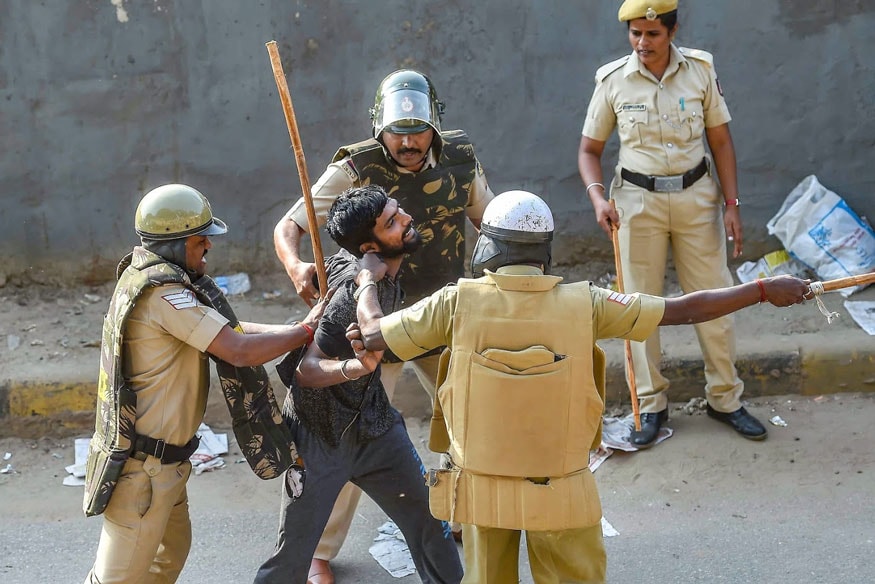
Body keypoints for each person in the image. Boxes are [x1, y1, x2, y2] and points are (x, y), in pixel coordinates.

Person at [349, 190, 812, 584]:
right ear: (543, 249)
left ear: (488, 245)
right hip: (563, 488)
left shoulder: (455, 302)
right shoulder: (587, 303)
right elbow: (681, 309)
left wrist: (365, 280)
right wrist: (762, 289)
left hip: (481, 487)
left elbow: (373, 335)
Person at [273, 68, 493, 580]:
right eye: (398, 131)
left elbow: (489, 222)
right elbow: (289, 225)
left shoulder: (460, 160)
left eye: (418, 130)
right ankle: (319, 553)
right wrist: (297, 265)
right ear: (381, 130)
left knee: (471, 420)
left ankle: (457, 514)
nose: (409, 141)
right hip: (373, 326)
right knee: (351, 433)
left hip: (441, 315)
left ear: (435, 128)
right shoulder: (358, 166)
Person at [82, 184, 328, 584]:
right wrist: (304, 331)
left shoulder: (157, 280)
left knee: (168, 558)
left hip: (167, 467)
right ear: (178, 245)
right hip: (144, 473)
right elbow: (238, 349)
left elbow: (229, 332)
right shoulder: (163, 295)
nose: (207, 250)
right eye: (201, 242)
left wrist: (296, 330)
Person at [577, 0, 764, 447]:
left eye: (652, 34)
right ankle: (651, 405)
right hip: (635, 204)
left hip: (697, 199)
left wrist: (731, 204)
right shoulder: (613, 80)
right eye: (635, 33)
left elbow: (720, 140)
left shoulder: (700, 71)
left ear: (672, 31)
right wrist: (598, 197)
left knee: (716, 296)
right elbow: (589, 150)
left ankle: (725, 399)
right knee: (639, 306)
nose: (643, 43)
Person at [254, 185, 463, 584]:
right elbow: (305, 369)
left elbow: (327, 270)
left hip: (375, 426)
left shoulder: (366, 271)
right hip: (320, 437)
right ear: (370, 245)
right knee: (293, 555)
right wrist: (354, 367)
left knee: (430, 524)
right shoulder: (355, 292)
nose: (406, 221)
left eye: (398, 211)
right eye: (392, 222)